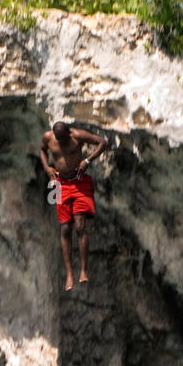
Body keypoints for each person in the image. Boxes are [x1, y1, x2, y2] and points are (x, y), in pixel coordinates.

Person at [40, 122, 108, 290]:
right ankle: (69, 273)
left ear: (68, 133)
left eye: (63, 139)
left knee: (79, 226)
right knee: (64, 228)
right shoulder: (48, 137)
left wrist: (87, 160)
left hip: (78, 182)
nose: (61, 142)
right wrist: (47, 167)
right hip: (57, 184)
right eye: (58, 139)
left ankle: (84, 269)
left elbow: (103, 142)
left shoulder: (77, 135)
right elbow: (42, 151)